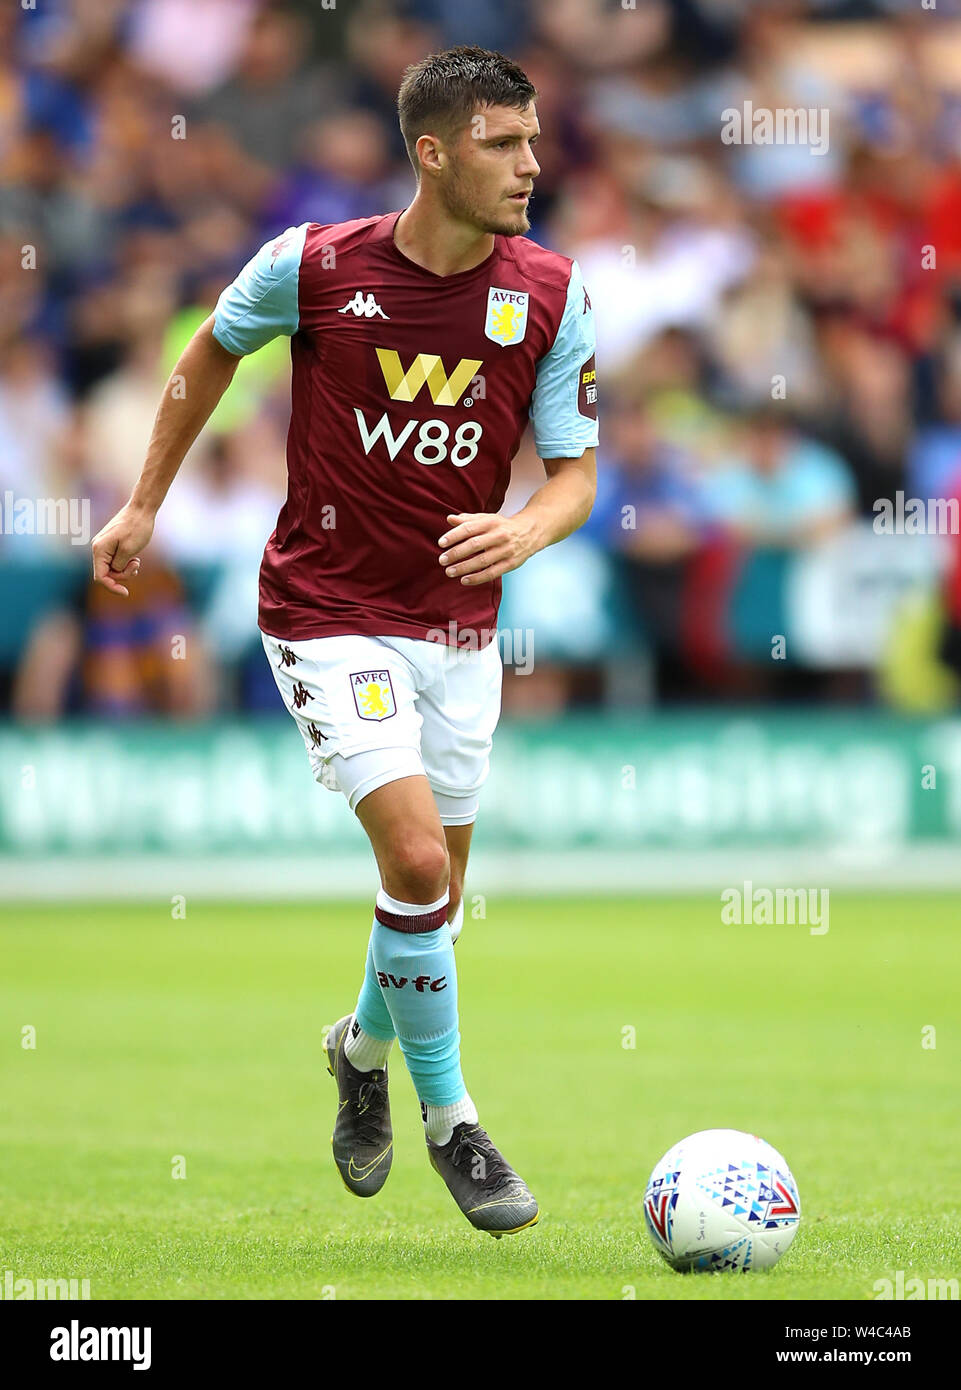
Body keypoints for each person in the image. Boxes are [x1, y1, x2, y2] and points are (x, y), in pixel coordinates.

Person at [90, 46, 598, 1237]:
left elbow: (575, 477)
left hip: (461, 632)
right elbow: (212, 345)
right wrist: (145, 501)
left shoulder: (555, 292)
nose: (531, 164)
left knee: (430, 898)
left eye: (532, 140)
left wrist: (522, 530)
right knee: (418, 867)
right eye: (501, 143)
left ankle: (358, 1049)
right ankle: (453, 1122)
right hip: (325, 611)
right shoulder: (316, 266)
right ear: (432, 151)